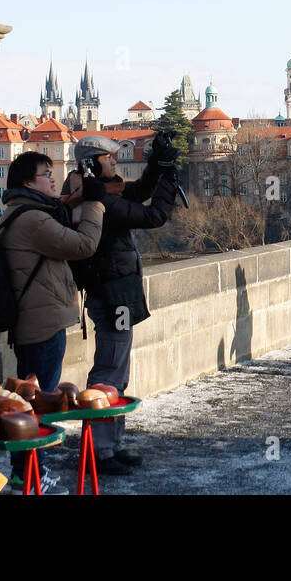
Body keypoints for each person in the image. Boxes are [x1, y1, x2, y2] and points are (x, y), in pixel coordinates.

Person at [64, 133, 179, 476]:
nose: (115, 161)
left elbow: (139, 193)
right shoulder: (95, 199)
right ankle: (99, 452)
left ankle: (110, 445)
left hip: (117, 290)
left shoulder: (98, 190)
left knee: (117, 370)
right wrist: (171, 178)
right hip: (111, 291)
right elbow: (152, 215)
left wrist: (157, 165)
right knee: (109, 370)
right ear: (90, 163)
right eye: (108, 157)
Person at [0, 150, 106, 494]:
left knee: (27, 403)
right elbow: (84, 245)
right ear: (28, 182)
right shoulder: (32, 220)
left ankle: (25, 475)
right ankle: (30, 478)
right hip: (42, 324)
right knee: (37, 406)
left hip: (32, 321)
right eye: (46, 173)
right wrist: (94, 204)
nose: (52, 179)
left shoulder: (18, 213)